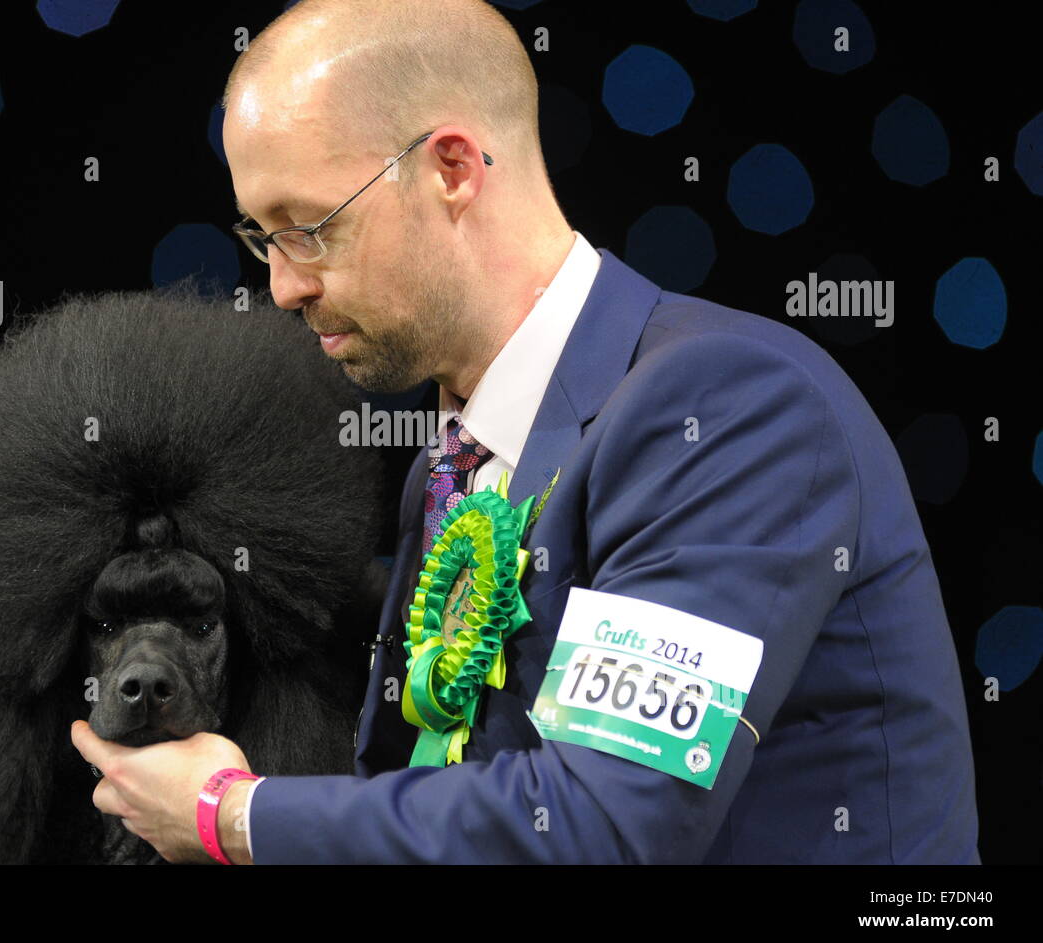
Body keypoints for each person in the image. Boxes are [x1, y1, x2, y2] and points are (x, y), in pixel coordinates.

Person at [70, 0, 980, 864]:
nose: (282, 286)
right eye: (259, 238)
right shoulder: (452, 458)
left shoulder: (732, 407)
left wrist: (231, 813)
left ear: (455, 169)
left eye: (307, 228)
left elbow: (604, 822)